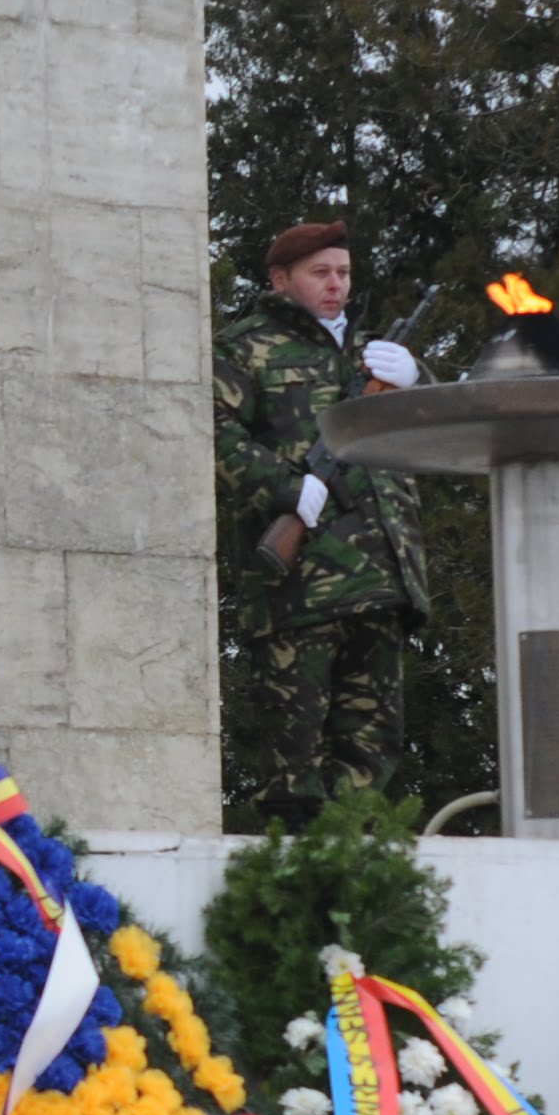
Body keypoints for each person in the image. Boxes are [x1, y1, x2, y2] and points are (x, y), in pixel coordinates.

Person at [211, 217, 429, 820]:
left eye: (344, 273)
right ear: (281, 279)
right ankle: (296, 882)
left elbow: (441, 434)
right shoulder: (242, 347)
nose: (336, 285)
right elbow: (209, 430)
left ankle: (359, 874)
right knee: (294, 762)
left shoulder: (376, 353)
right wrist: (286, 488)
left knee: (372, 753)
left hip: (381, 580)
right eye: (320, 273)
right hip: (297, 589)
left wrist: (418, 381)